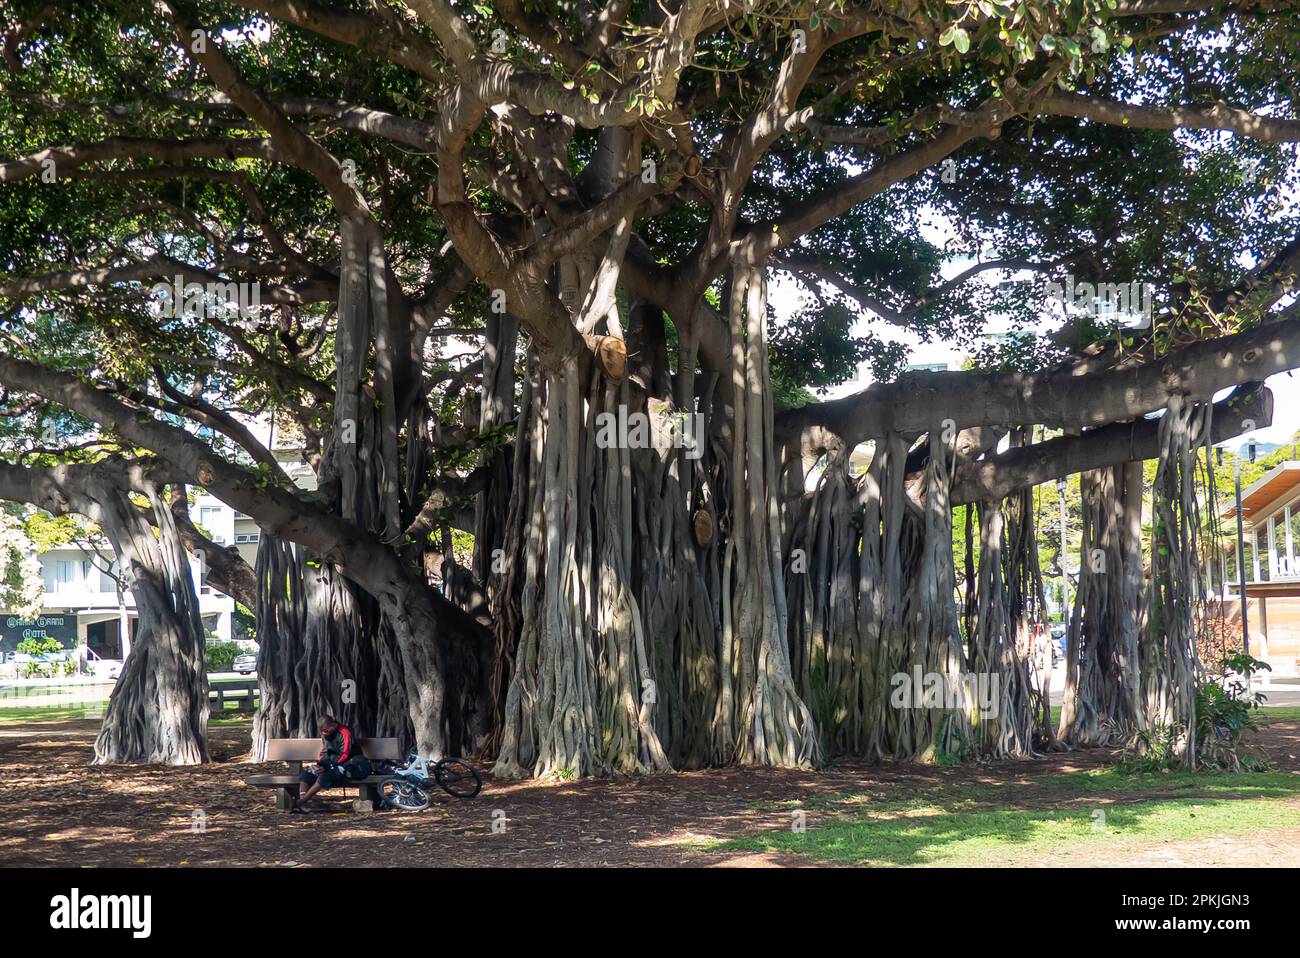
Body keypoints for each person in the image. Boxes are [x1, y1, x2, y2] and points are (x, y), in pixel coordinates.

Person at [293, 715, 371, 813]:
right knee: (306, 774)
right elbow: (324, 752)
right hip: (329, 764)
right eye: (322, 731)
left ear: (333, 725)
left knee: (325, 776)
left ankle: (300, 802)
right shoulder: (325, 735)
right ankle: (303, 805)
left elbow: (345, 754)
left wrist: (328, 766)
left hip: (347, 764)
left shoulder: (344, 733)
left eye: (326, 730)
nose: (324, 733)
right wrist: (321, 765)